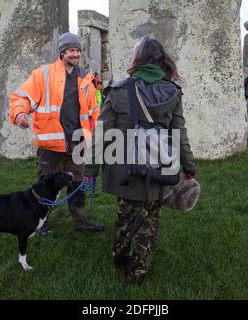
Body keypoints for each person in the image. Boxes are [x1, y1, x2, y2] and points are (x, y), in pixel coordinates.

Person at [84, 37, 197, 285]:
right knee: (148, 221)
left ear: (138, 59)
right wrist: (190, 168)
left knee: (125, 215)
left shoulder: (118, 90)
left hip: (125, 169)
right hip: (158, 168)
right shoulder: (173, 92)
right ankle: (137, 273)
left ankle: (120, 257)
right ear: (161, 60)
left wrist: (90, 170)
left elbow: (101, 136)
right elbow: (180, 133)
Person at [9, 32, 105, 235]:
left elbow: (94, 108)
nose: (75, 54)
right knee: (46, 186)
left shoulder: (87, 79)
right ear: (62, 53)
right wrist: (19, 113)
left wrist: (101, 125)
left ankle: (80, 221)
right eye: (71, 50)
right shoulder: (43, 74)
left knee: (78, 184)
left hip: (77, 142)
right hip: (50, 145)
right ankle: (41, 223)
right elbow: (22, 96)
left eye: (78, 50)